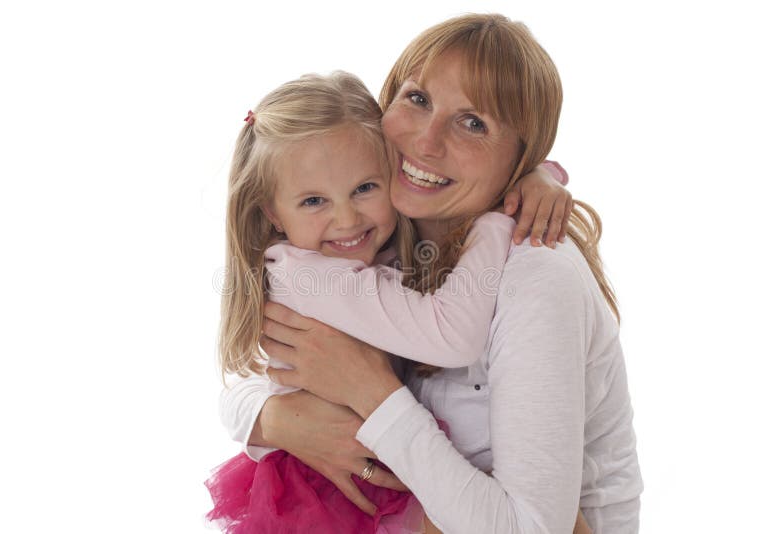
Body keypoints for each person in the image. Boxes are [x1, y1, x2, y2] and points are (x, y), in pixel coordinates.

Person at [245, 13, 643, 533]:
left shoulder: (536, 274)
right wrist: (272, 420)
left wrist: (370, 389)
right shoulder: (380, 233)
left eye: (473, 122)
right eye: (417, 99)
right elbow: (246, 367)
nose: (426, 143)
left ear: (521, 157)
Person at [206, 70, 572, 533]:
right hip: (332, 496)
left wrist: (535, 176)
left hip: (384, 474)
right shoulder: (310, 278)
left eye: (364, 188)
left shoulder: (366, 253)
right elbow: (451, 337)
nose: (346, 218)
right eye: (314, 200)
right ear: (272, 213)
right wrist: (498, 218)